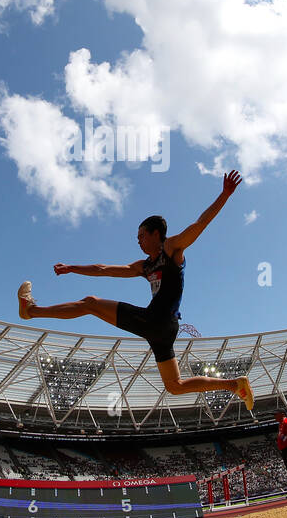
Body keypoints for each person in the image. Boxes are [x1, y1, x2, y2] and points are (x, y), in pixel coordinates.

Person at [17, 170, 254, 410]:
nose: (138, 240)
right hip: (162, 329)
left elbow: (199, 224)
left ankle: (32, 311)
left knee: (90, 303)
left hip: (157, 320)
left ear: (156, 234)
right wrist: (71, 268)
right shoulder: (145, 266)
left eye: (141, 235)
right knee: (174, 386)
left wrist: (224, 195)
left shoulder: (171, 249)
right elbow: (104, 269)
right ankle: (234, 385)